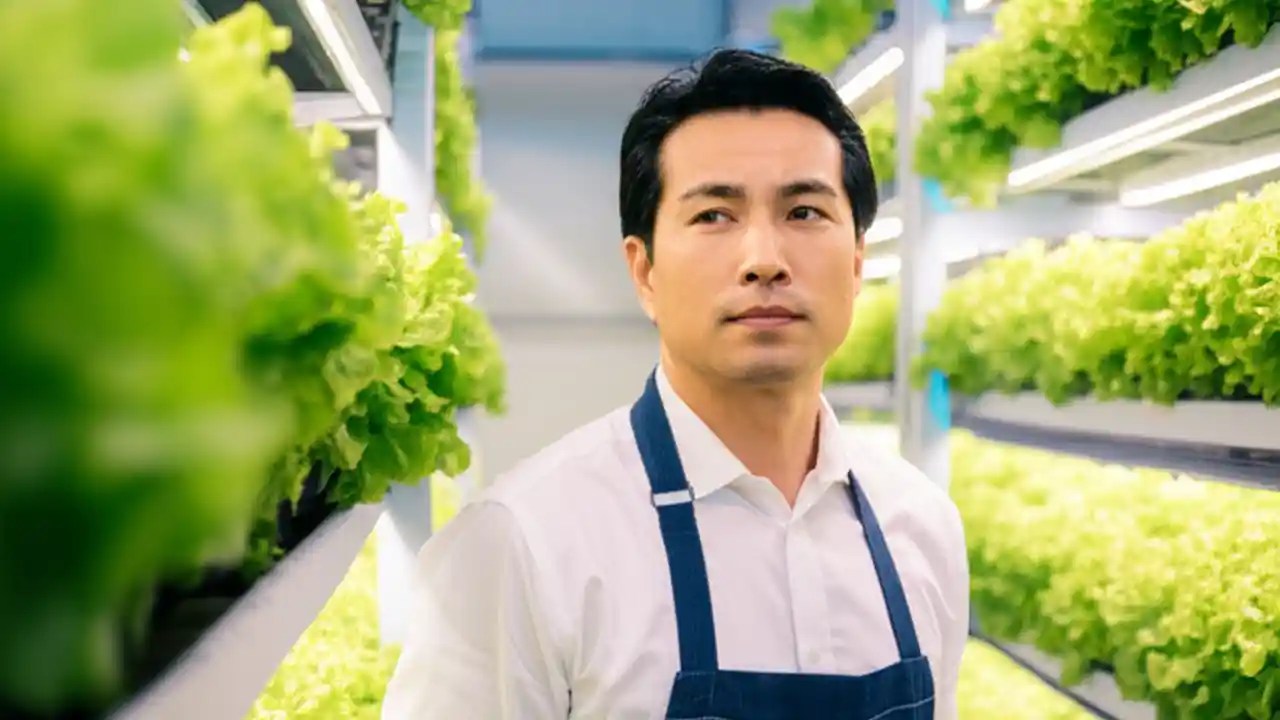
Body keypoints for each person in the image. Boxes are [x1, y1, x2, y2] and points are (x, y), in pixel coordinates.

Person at [381, 47, 969, 720]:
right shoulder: (521, 547)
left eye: (804, 211)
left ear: (858, 262)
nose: (764, 260)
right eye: (714, 215)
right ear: (645, 272)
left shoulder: (921, 528)